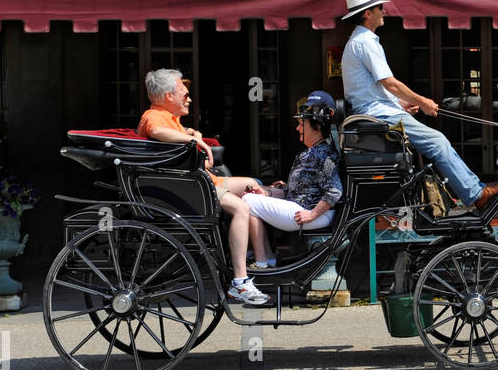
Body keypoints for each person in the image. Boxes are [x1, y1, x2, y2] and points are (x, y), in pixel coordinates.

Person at [339, 0, 498, 212]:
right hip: (380, 115)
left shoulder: (356, 42)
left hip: (377, 112)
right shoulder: (366, 42)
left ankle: (468, 193)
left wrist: (400, 104)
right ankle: (476, 194)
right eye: (379, 8)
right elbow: (390, 83)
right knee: (437, 142)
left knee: (435, 142)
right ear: (368, 13)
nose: (383, 12)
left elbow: (369, 90)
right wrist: (423, 102)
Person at [137, 68, 267, 306]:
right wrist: (194, 139)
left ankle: (262, 259)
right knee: (240, 208)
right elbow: (155, 131)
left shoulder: (172, 119)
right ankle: (240, 281)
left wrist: (190, 133)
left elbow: (172, 133)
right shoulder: (153, 116)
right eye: (184, 93)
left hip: (199, 181)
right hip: (188, 188)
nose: (189, 98)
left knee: (252, 185)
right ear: (168, 96)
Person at [244, 91, 344, 269]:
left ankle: (262, 261)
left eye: (302, 123)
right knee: (254, 194)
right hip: (303, 207)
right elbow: (296, 190)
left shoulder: (324, 154)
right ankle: (269, 258)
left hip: (311, 213)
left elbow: (334, 190)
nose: (297, 128)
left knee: (248, 202)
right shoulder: (311, 151)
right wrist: (267, 192)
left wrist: (312, 214)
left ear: (317, 127)